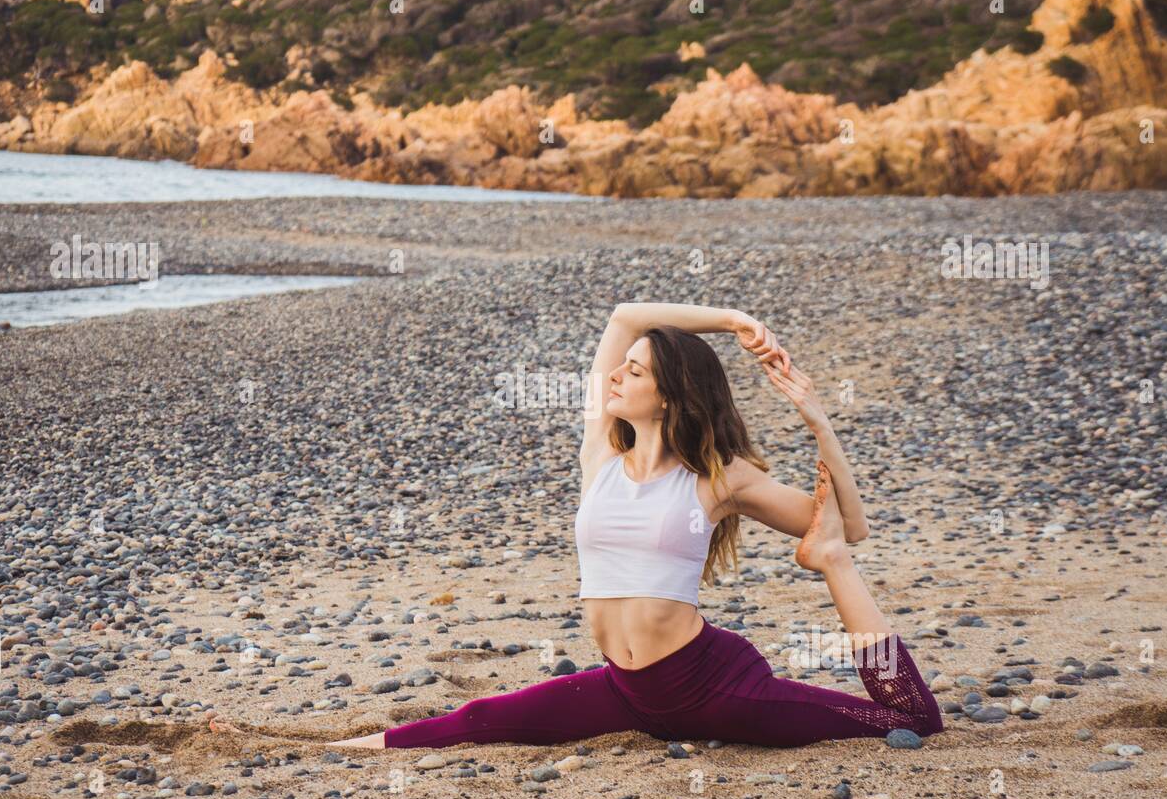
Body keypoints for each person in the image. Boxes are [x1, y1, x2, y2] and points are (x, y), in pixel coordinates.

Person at [322, 303, 944, 750]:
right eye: (622, 368)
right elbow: (623, 316)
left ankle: (833, 574)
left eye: (636, 372)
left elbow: (851, 525)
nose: (616, 375)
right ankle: (351, 748)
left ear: (671, 395)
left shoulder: (718, 478)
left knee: (907, 721)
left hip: (715, 688)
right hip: (629, 690)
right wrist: (731, 320)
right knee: (485, 718)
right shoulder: (601, 458)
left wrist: (818, 422)